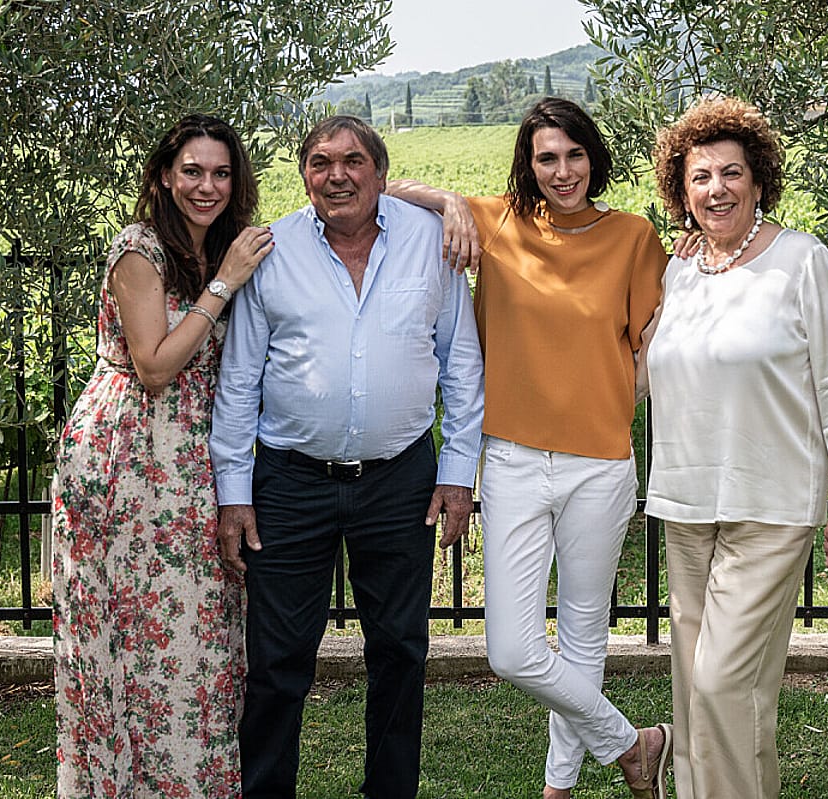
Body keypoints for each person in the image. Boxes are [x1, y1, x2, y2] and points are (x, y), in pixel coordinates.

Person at [386, 97, 672, 799]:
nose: (563, 170)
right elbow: (383, 190)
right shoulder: (499, 223)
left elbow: (657, 346)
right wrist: (450, 200)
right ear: (529, 161)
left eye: (575, 154)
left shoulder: (634, 237)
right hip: (511, 457)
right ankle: (634, 743)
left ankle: (559, 787)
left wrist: (606, 398)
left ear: (592, 158)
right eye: (547, 156)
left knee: (581, 634)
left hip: (601, 462)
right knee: (512, 649)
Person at [209, 115, 484, 799]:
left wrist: (456, 474)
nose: (338, 175)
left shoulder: (432, 241)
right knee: (276, 660)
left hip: (400, 480)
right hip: (288, 482)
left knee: (398, 652)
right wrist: (234, 493)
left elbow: (462, 362)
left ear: (382, 173)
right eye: (320, 162)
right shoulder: (272, 250)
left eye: (354, 160)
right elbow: (240, 380)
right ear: (304, 176)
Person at [642, 96, 828, 799]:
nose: (716, 188)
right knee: (694, 690)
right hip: (685, 505)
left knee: (725, 683)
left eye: (731, 173)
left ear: (758, 179)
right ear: (680, 191)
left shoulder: (803, 262)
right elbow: (641, 376)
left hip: (772, 507)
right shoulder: (678, 271)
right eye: (700, 177)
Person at [51, 113, 274, 798]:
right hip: (129, 453)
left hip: (198, 455)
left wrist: (440, 202)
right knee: (133, 625)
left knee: (199, 632)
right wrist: (225, 283)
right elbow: (153, 365)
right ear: (163, 176)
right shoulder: (139, 248)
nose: (206, 186)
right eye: (192, 171)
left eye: (220, 172)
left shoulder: (230, 244)